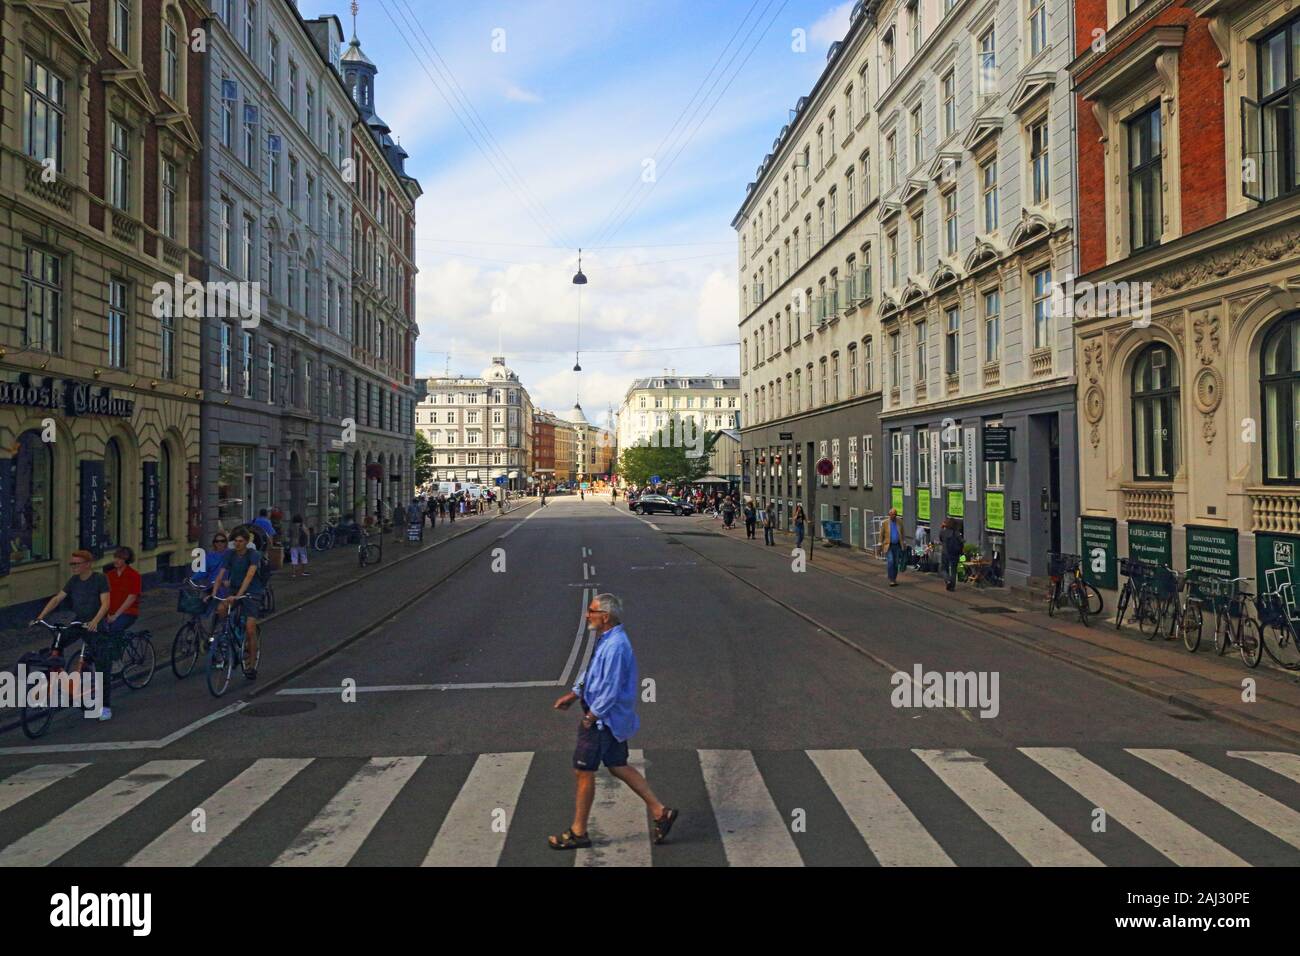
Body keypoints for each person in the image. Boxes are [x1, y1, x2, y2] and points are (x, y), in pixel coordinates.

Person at [549, 593, 677, 849]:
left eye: (592, 611)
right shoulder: (606, 639)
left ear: (604, 617)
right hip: (607, 718)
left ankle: (579, 832)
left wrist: (591, 716)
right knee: (618, 764)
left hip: (602, 721)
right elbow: (592, 671)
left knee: (583, 771)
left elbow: (610, 688)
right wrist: (575, 693)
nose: (587, 615)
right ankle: (660, 812)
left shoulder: (617, 646)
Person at [34, 550, 112, 719]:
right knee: (58, 642)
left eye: (76, 564)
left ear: (88, 564)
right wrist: (40, 616)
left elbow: (106, 603)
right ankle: (59, 679)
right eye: (72, 564)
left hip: (96, 626)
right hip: (79, 622)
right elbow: (57, 599)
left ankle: (105, 706)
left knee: (102, 666)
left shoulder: (99, 579)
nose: (73, 567)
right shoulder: (74, 581)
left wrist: (95, 621)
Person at [213, 528, 265, 679]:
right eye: (235, 541)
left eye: (241, 541)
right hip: (235, 589)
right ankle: (227, 635)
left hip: (252, 592)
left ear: (246, 542)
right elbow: (221, 574)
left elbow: (249, 576)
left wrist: (238, 596)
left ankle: (251, 664)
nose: (237, 544)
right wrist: (214, 593)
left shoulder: (253, 555)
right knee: (221, 608)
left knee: (250, 629)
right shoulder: (230, 554)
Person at [104, 546, 142, 635]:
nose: (116, 560)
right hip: (110, 612)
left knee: (115, 628)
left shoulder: (134, 575)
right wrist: (107, 613)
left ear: (126, 560)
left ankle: (116, 648)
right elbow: (105, 594)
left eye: (120, 558)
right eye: (116, 557)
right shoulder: (110, 575)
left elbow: (132, 597)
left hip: (127, 612)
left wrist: (116, 615)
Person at [880, 508, 905, 587]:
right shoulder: (885, 523)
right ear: (889, 515)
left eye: (895, 514)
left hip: (897, 545)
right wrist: (880, 544)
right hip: (889, 545)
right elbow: (881, 534)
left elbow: (902, 532)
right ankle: (891, 579)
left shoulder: (900, 522)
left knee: (896, 563)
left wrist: (904, 542)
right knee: (891, 561)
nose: (894, 516)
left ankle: (894, 578)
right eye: (892, 514)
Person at [940, 517, 965, 591]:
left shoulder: (943, 532)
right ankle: (952, 587)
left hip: (945, 552)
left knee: (944, 569)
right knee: (954, 570)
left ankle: (948, 580)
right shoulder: (956, 533)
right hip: (954, 553)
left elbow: (941, 539)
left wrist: (942, 527)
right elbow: (962, 541)